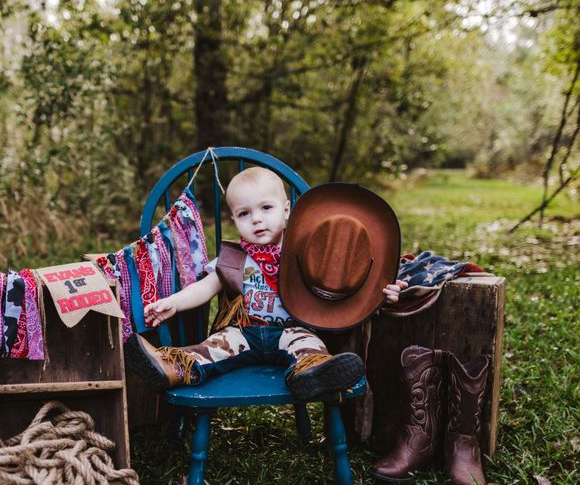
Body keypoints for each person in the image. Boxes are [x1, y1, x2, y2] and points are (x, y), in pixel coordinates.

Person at [125, 167, 407, 400]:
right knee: (213, 347)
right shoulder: (235, 257)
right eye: (244, 214)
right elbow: (206, 287)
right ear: (234, 219)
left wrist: (380, 293)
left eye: (266, 208)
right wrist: (173, 302)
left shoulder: (304, 254)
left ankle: (311, 375)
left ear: (286, 210)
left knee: (308, 346)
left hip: (290, 330)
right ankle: (171, 366)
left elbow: (341, 280)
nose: (256, 219)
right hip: (244, 333)